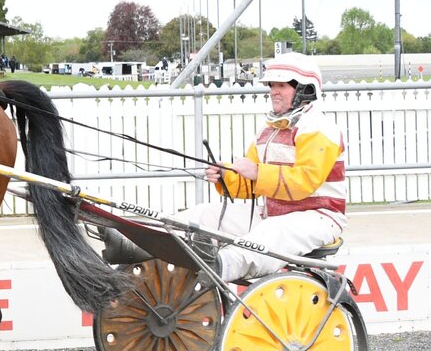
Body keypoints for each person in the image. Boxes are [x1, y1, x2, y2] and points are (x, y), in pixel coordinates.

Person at [103, 54, 346, 283]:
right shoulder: (269, 131)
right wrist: (225, 176)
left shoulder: (319, 128)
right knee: (203, 215)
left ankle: (219, 267)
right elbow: (249, 186)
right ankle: (134, 244)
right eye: (272, 86)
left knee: (269, 234)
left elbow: (304, 182)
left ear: (306, 89)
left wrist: (257, 172)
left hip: (318, 218)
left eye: (281, 86)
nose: (273, 92)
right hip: (273, 213)